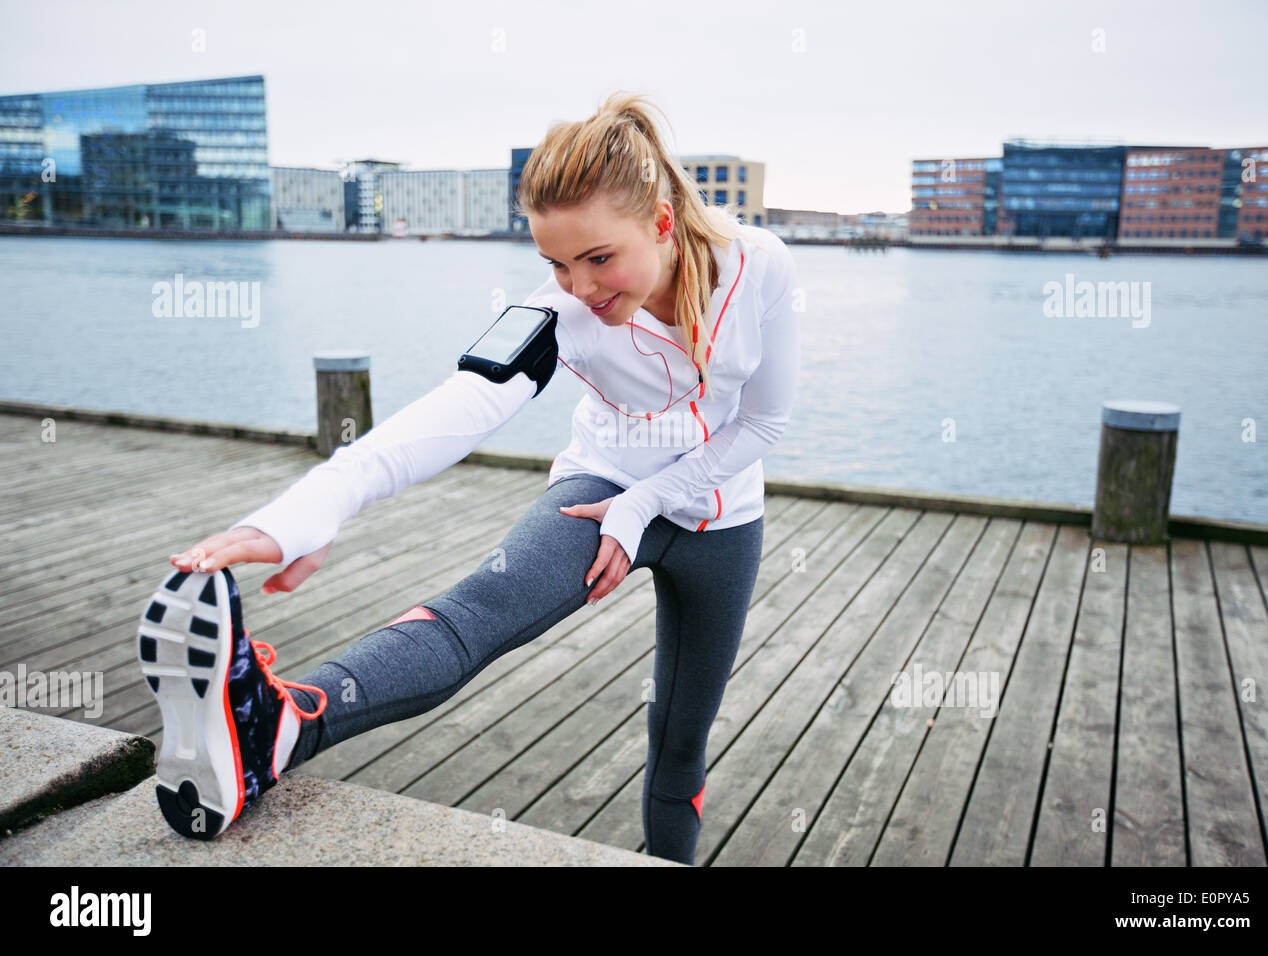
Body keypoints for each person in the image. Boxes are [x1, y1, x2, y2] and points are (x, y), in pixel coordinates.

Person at [136, 90, 800, 866]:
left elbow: (763, 425)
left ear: (658, 221)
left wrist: (647, 502)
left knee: (682, 742)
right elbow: (459, 407)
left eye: (597, 259)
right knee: (476, 612)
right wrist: (304, 511)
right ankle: (274, 727)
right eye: (555, 262)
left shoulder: (757, 265)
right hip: (597, 489)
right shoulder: (557, 309)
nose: (579, 288)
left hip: (720, 520)